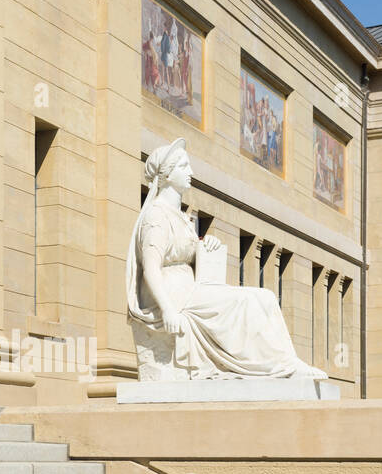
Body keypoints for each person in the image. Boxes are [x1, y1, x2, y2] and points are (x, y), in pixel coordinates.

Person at [126, 136, 327, 379]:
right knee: (247, 302)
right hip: (176, 295)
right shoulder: (156, 217)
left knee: (266, 297)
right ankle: (279, 368)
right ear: (167, 175)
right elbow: (150, 269)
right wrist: (168, 309)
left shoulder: (180, 216)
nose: (190, 171)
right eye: (183, 166)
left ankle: (287, 363)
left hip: (191, 288)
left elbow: (185, 255)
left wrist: (203, 247)